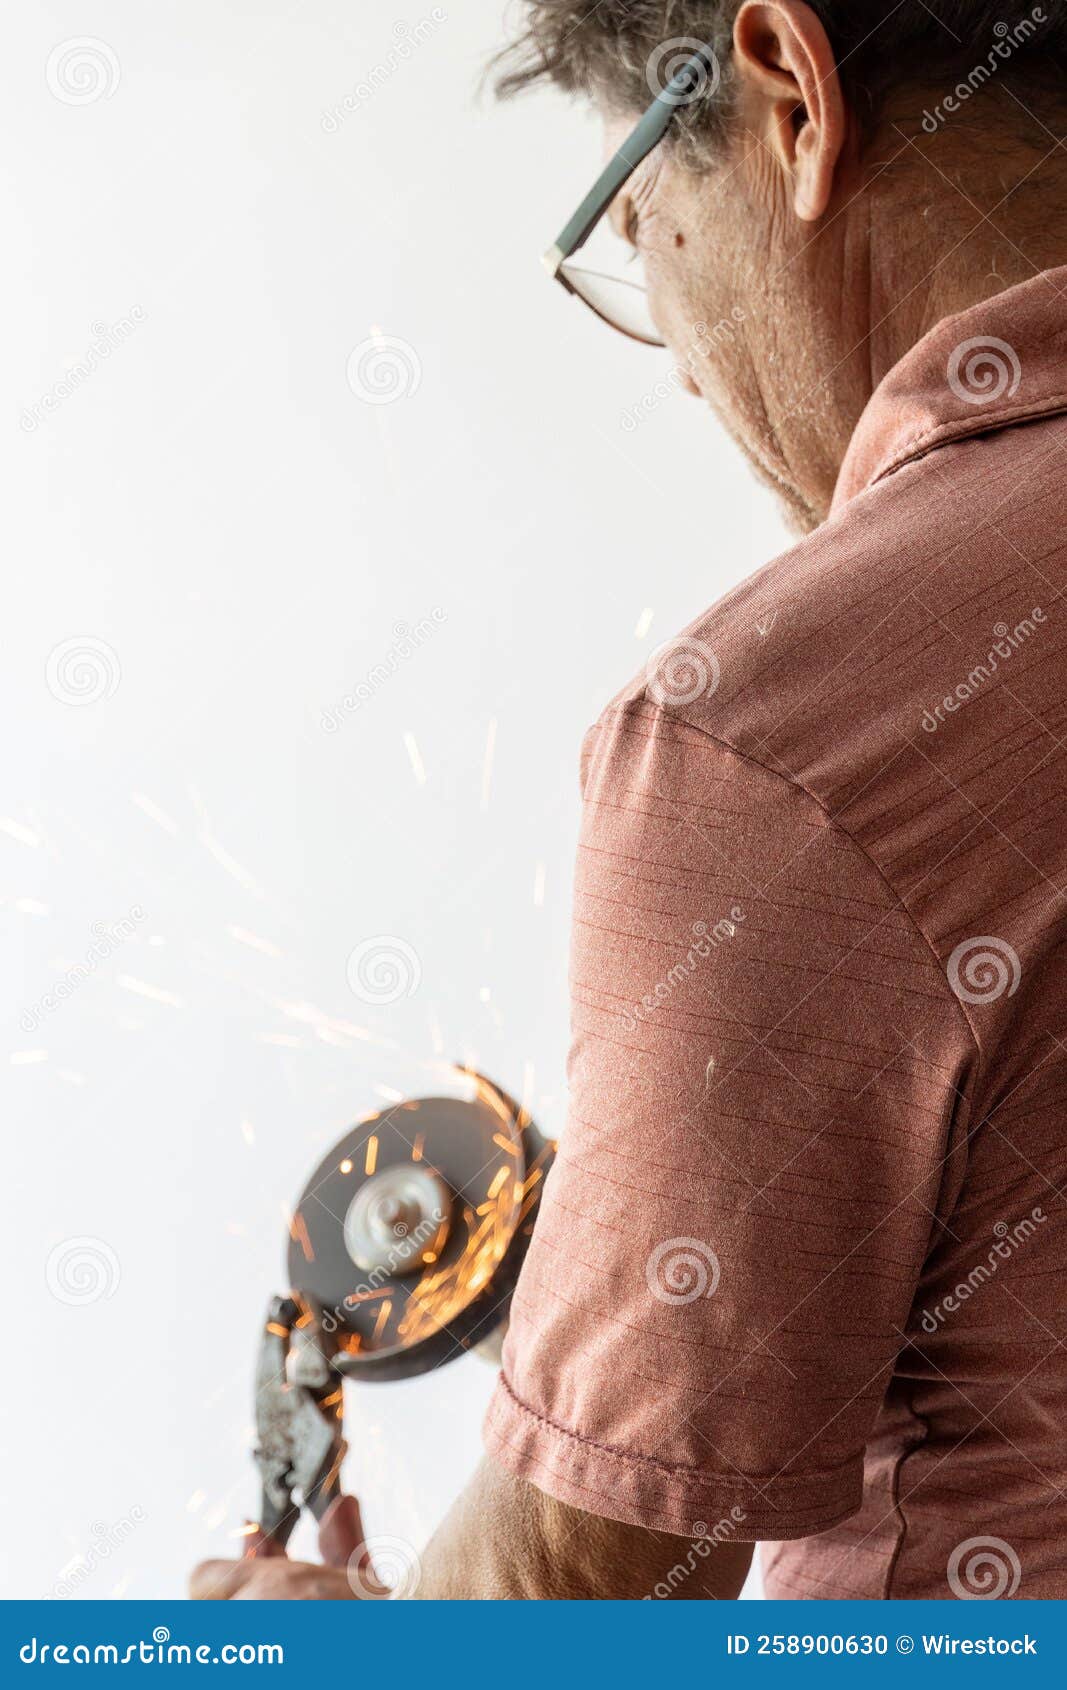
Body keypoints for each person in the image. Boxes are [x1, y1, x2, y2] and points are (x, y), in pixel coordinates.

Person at [192, 0, 1067, 1600]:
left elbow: (585, 1587)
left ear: (791, 97)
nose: (672, 359)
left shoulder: (777, 730)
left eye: (638, 227)